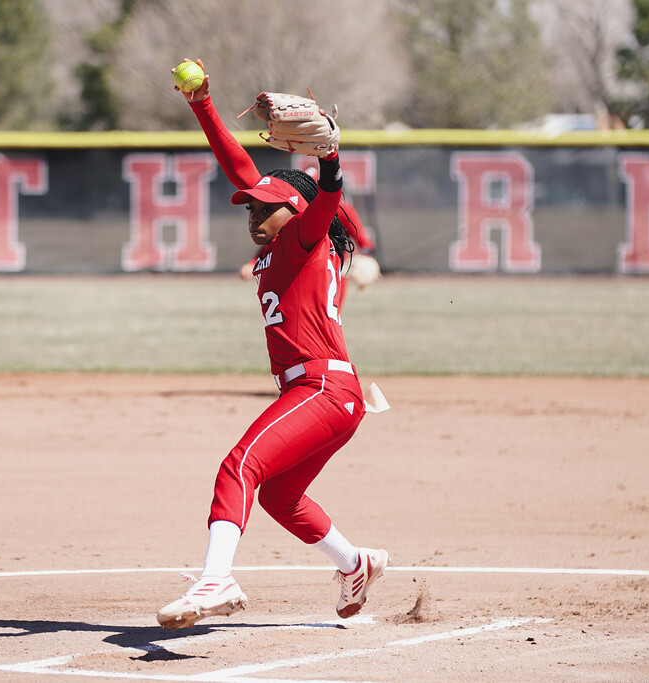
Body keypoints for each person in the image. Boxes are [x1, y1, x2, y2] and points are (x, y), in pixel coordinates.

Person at [157, 59, 388, 630]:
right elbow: (240, 169)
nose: (253, 212)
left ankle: (216, 579)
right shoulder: (288, 242)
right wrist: (203, 105)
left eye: (265, 206)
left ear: (297, 213)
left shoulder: (304, 239)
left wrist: (330, 160)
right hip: (331, 393)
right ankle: (354, 563)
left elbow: (327, 198)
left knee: (239, 466)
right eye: (251, 206)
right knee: (281, 497)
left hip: (323, 387)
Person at [238, 192, 377, 314]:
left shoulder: (341, 208)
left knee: (327, 321)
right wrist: (252, 262)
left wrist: (363, 262)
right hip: (299, 271)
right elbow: (275, 242)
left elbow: (365, 243)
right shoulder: (295, 212)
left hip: (332, 271)